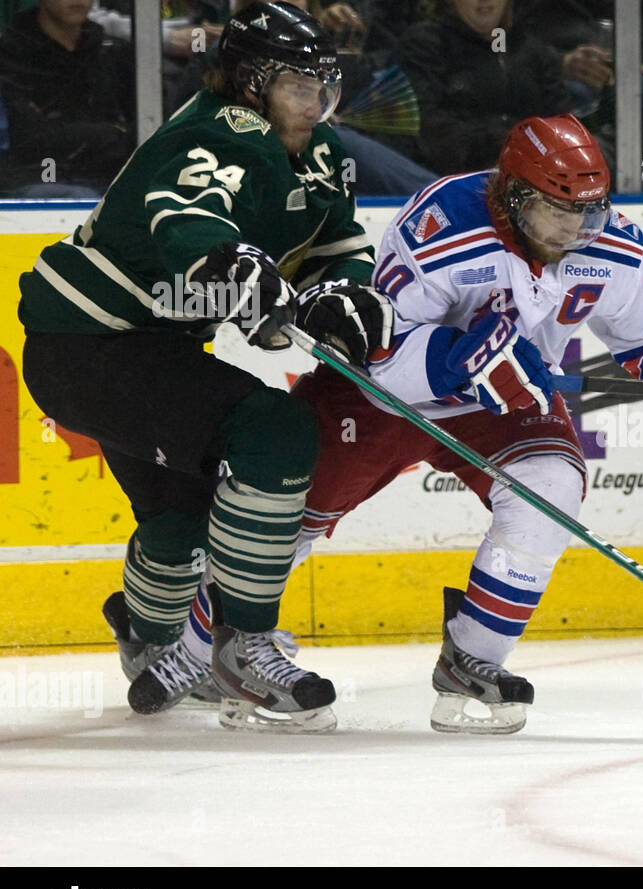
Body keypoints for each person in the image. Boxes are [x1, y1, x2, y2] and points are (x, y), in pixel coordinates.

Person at [168, 114, 643, 734]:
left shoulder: (609, 241)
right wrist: (458, 359)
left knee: (552, 489)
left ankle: (472, 658)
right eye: (558, 212)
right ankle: (204, 651)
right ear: (512, 195)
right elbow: (380, 346)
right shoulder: (443, 223)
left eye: (589, 211)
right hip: (383, 397)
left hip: (506, 401)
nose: (575, 229)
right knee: (287, 516)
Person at [19, 1, 392, 733]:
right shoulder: (213, 132)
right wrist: (239, 268)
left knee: (183, 518)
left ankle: (145, 630)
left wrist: (348, 294)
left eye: (322, 85)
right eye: (296, 85)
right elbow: (189, 223)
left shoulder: (316, 152)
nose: (314, 102)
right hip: (91, 343)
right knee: (274, 430)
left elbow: (336, 242)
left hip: (143, 346)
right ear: (251, 83)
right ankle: (242, 646)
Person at [515, 0, 643, 191]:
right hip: (547, 76)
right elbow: (508, 41)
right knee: (580, 97)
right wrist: (560, 63)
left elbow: (621, 16)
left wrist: (631, 58)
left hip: (602, 62)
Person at [396, 0, 573, 175]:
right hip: (449, 177)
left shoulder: (530, 49)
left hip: (532, 176)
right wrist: (498, 148)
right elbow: (426, 123)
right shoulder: (426, 43)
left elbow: (560, 120)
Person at [0, 0, 134, 197]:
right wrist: (109, 134)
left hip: (110, 176)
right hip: (34, 180)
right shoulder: (10, 55)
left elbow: (148, 121)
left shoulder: (112, 51)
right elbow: (30, 137)